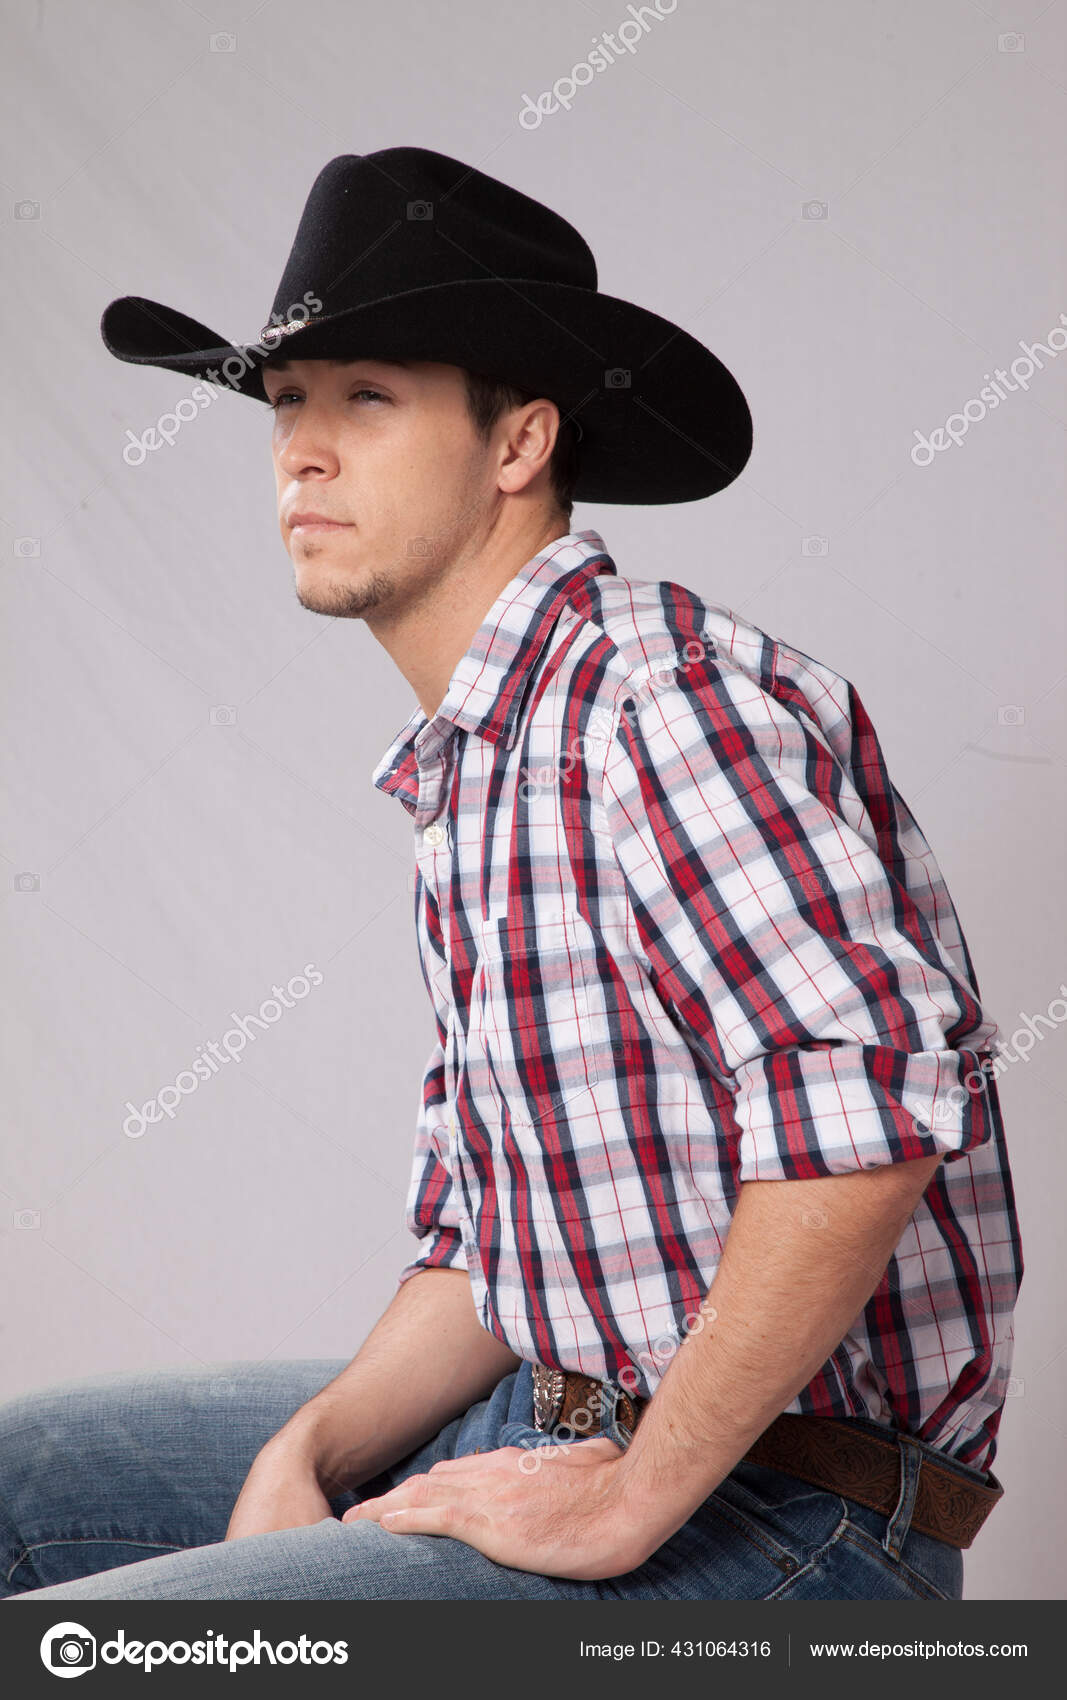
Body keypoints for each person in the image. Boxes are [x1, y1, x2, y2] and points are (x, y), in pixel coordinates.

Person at [1, 148, 1022, 1602]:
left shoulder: (653, 702)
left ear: (518, 443)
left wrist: (630, 1504)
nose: (300, 449)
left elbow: (863, 1119)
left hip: (788, 1514)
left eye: (367, 397)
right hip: (548, 1417)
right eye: (288, 403)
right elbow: (499, 1250)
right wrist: (312, 1447)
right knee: (21, 1485)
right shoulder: (479, 767)